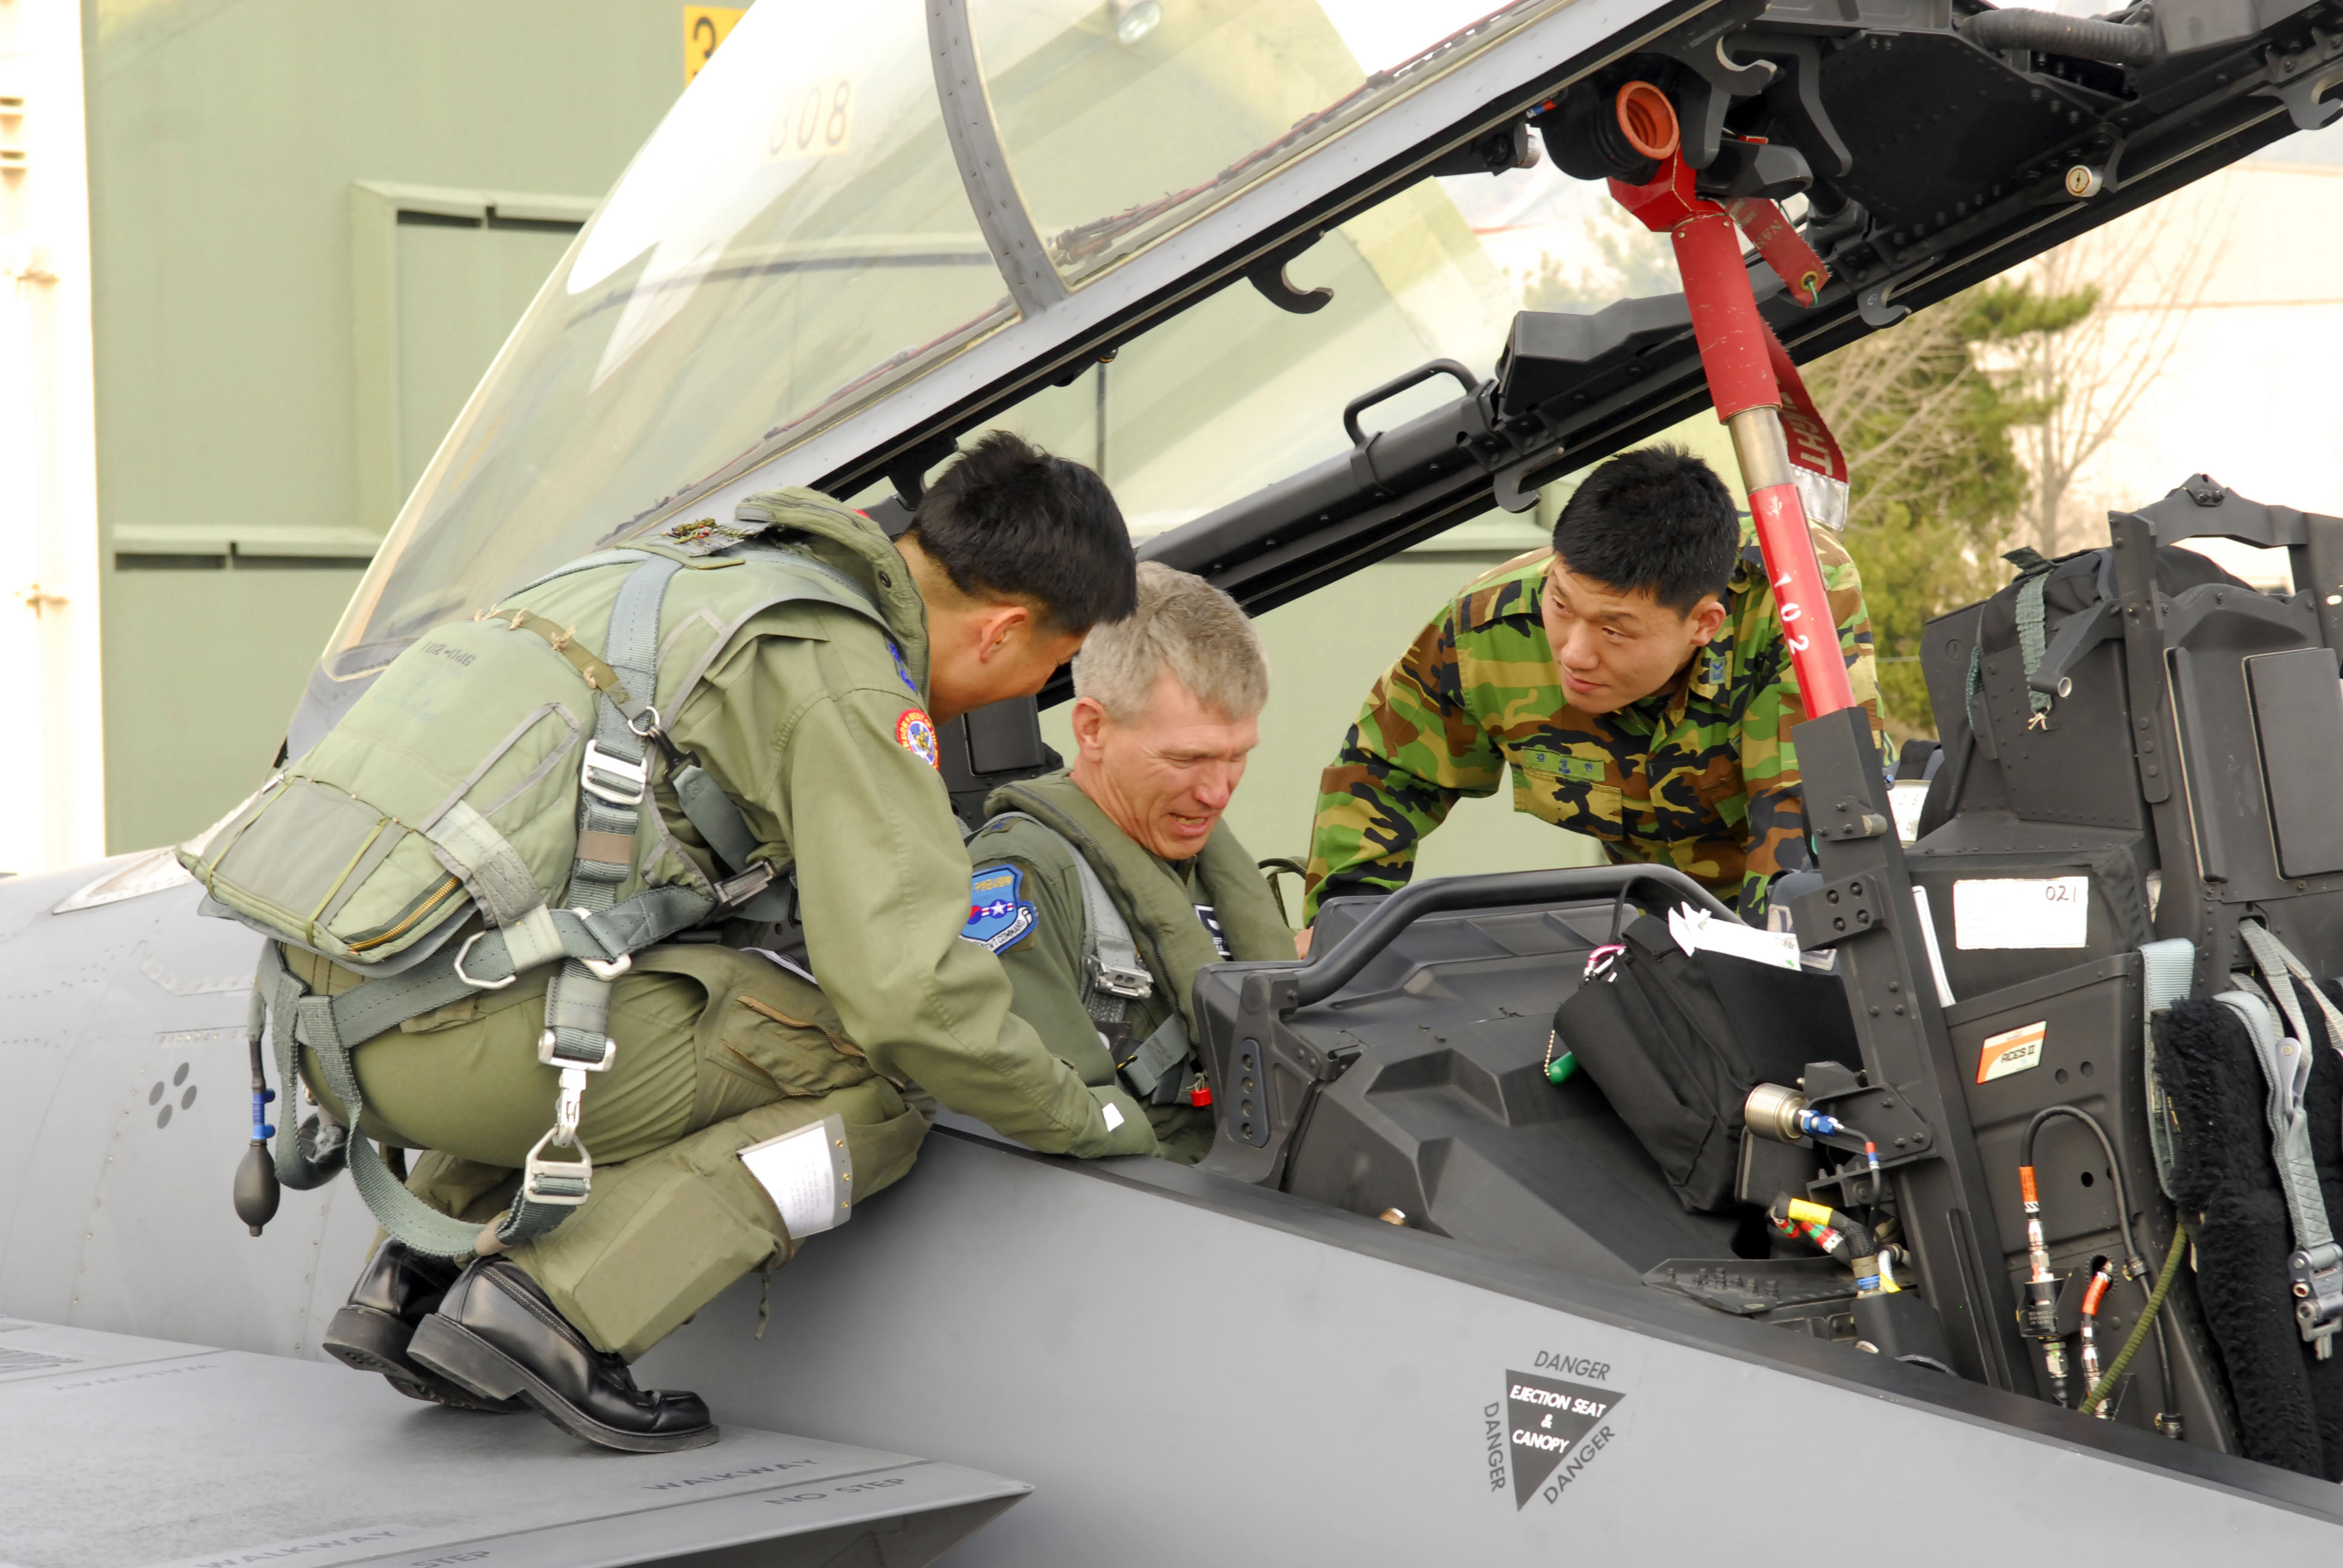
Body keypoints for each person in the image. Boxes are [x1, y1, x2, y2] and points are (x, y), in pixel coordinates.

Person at [287, 433, 1158, 1454]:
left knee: (711, 1000)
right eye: (1049, 670)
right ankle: (554, 1309)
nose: (1031, 694)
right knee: (884, 1076)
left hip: (335, 1025)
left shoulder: (715, 571)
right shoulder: (851, 678)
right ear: (1007, 630)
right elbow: (914, 1001)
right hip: (448, 1045)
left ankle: (412, 1274)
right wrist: (1089, 1117)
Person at [1303, 444, 1881, 932]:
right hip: (1650, 919)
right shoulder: (1487, 627)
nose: (1574, 653)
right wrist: (1343, 937)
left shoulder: (1796, 598)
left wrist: (1765, 977)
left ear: (1704, 623)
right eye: (1560, 603)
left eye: (1614, 629)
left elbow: (1803, 827)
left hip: (1792, 906)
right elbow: (1383, 775)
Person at [962, 564, 1293, 1164]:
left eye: (1235, 757)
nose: (1216, 793)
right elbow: (1049, 1120)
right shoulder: (1026, 876)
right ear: (1091, 728)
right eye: (1188, 758)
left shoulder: (1202, 859)